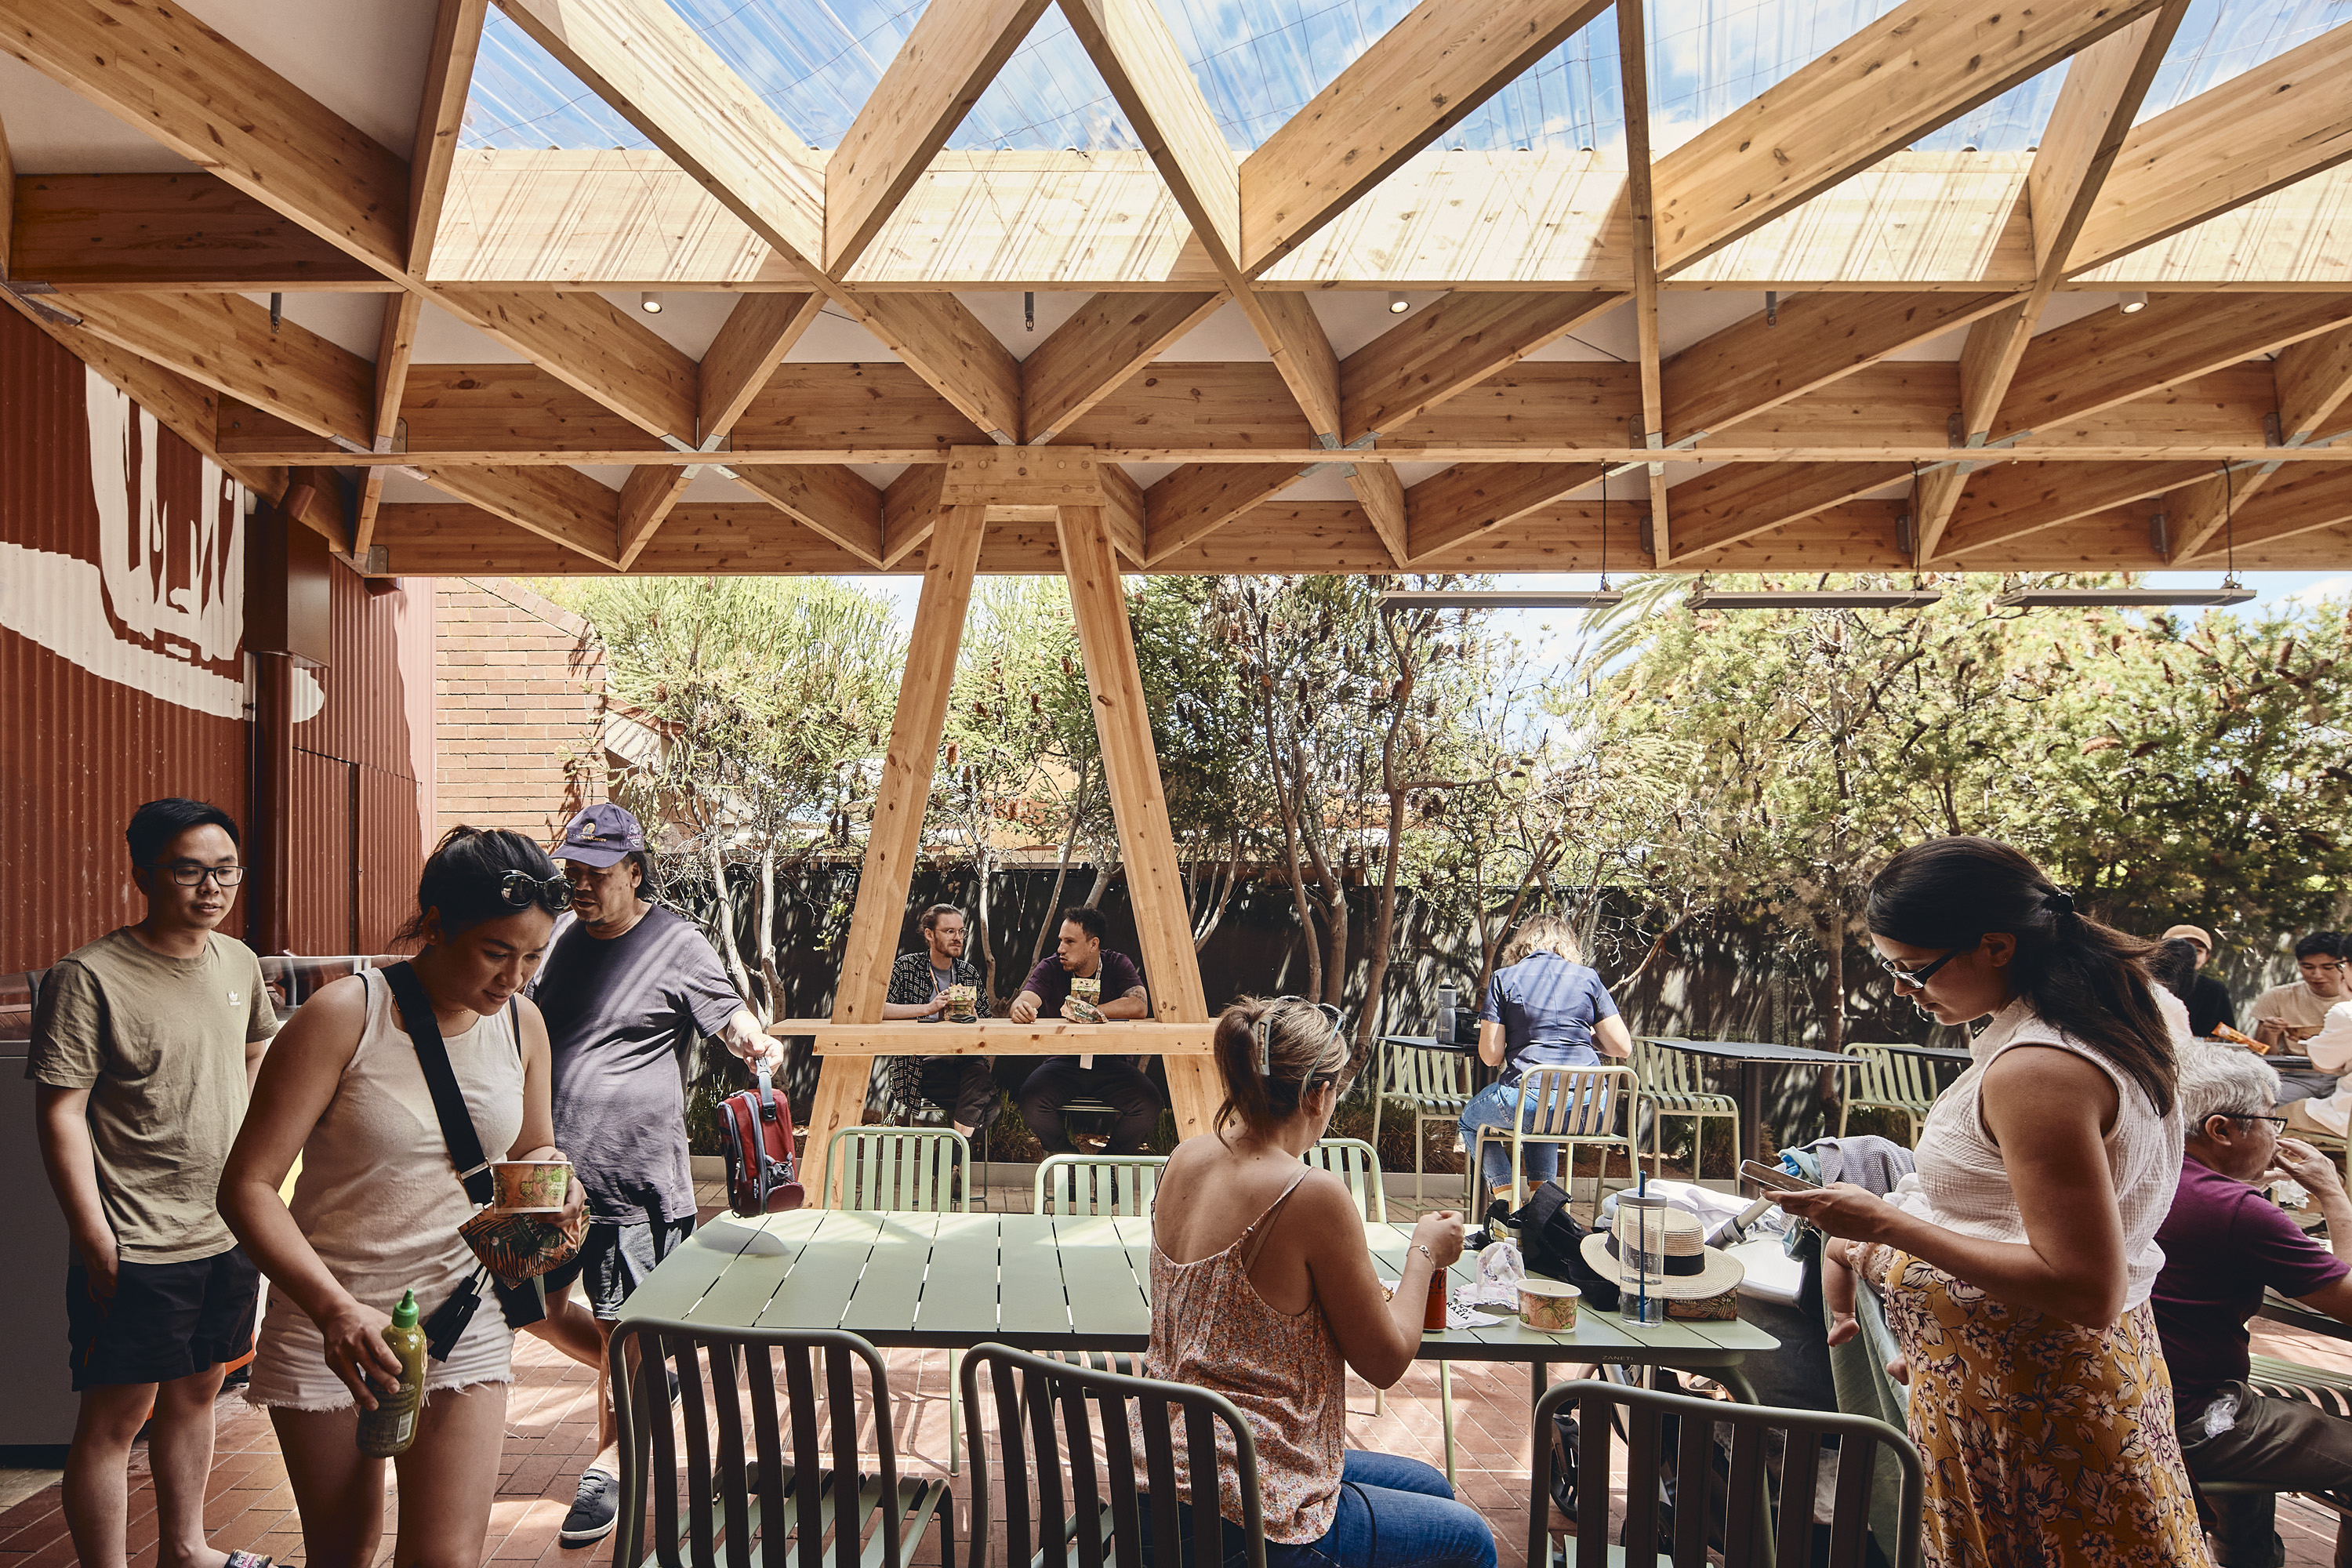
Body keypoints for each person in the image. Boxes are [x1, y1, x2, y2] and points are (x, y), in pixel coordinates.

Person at [1777, 835, 2205, 1566]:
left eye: (1916, 970)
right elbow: (2015, 1210)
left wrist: (1885, 1223)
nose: (1903, 991)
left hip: (2033, 1406)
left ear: (1999, 946)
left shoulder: (2039, 1068)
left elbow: (2082, 1285)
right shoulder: (2132, 1005)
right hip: (2019, 1384)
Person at [219, 827, 581, 1568]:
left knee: (446, 1559)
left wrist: (552, 1177)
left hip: (463, 1315)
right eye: (495, 951)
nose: (514, 977)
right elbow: (247, 1187)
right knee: (343, 1552)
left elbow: (530, 1146)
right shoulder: (344, 1016)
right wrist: (335, 1311)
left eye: (533, 956)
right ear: (437, 922)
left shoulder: (524, 1024)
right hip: (336, 1329)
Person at [1138, 996, 1494, 1568]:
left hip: (1164, 1479)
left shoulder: (1185, 1159)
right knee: (1468, 1539)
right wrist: (1425, 1253)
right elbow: (1384, 1361)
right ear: (1317, 1094)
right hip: (1250, 1514)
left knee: (1430, 1486)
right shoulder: (1309, 1193)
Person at [30, 798, 281, 1568]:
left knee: (199, 1392)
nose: (212, 886)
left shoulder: (237, 961)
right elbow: (61, 1111)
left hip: (227, 1229)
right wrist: (91, 1230)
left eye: (225, 869)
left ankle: (187, 1547)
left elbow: (255, 1052)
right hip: (138, 1238)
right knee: (115, 1416)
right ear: (142, 871)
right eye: (189, 868)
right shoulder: (89, 977)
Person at [526, 802, 779, 1546]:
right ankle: (646, 1374)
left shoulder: (675, 941)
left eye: (595, 873)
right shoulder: (562, 939)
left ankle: (609, 1463)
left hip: (631, 1179)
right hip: (547, 1172)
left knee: (619, 1323)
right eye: (572, 869)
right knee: (528, 1307)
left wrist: (752, 1039)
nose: (579, 884)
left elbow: (728, 1016)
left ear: (635, 871)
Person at [2151, 1044, 2352, 1567]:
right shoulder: (2235, 1210)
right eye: (2272, 1121)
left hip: (2140, 1401)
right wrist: (2333, 1194)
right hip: (2197, 1416)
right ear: (2222, 1130)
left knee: (2247, 1406)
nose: (2278, 1136)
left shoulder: (2143, 1171)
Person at [1457, 914, 1632, 1201]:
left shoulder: (1505, 978)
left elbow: (1490, 1056)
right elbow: (1621, 1047)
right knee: (1545, 1117)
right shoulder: (1588, 978)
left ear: (1521, 943)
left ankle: (1507, 1203)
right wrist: (1581, 1036)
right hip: (1590, 1108)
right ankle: (1543, 1210)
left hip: (1529, 1100)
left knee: (1471, 1121)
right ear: (1567, 945)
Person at [1013, 906, 1160, 1156]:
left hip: (1111, 1063)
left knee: (1149, 1104)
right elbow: (1026, 999)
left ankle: (1107, 1166)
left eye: (1070, 942)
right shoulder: (1051, 967)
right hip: (1064, 1062)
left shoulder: (1117, 964)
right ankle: (1069, 1164)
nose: (1061, 949)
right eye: (1061, 941)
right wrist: (1021, 1008)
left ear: (1093, 944)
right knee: (1030, 1101)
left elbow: (1139, 1005)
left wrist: (1089, 1011)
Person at [881, 903, 998, 1139]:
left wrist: (974, 1016)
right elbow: (880, 1009)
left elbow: (987, 1022)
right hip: (920, 1065)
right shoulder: (907, 968)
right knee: (989, 1104)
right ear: (929, 934)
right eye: (949, 931)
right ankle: (951, 1163)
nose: (958, 938)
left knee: (980, 1081)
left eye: (961, 931)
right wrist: (928, 1008)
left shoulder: (968, 973)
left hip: (964, 1061)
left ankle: (946, 1166)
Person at [2246, 931, 2347, 1069]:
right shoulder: (2277, 996)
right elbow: (2261, 1056)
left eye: (2327, 968)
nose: (2317, 975)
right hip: (2296, 1073)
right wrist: (2270, 1033)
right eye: (2308, 967)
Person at [2159, 923, 2238, 1038]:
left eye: (2198, 950)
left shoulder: (2215, 990)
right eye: (2181, 949)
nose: (2191, 955)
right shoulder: (2141, 983)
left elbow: (2226, 1036)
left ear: (2207, 957)